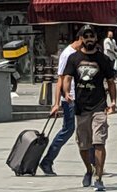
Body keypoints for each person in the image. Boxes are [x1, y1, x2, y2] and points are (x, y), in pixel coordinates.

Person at [63, 25, 117, 192]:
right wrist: (66, 92)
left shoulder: (103, 59)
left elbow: (110, 82)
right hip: (81, 107)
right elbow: (67, 77)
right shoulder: (74, 58)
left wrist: (113, 100)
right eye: (85, 37)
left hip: (99, 106)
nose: (89, 40)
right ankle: (88, 169)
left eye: (91, 36)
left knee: (99, 142)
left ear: (96, 38)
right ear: (82, 39)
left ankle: (99, 178)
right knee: (83, 145)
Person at [40, 32, 82, 177]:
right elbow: (60, 80)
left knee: (86, 129)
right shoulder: (67, 54)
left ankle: (95, 164)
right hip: (69, 99)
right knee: (68, 130)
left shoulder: (82, 53)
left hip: (82, 98)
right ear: (80, 39)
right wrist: (56, 103)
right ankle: (47, 160)